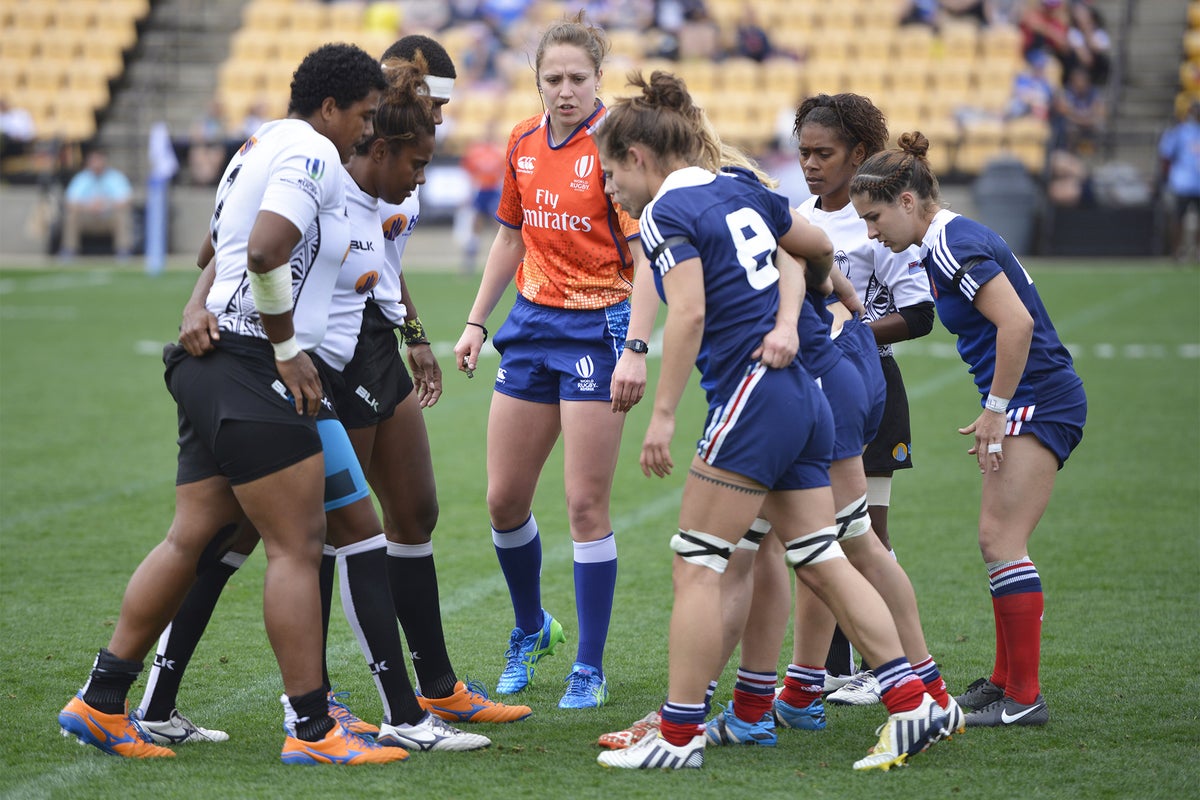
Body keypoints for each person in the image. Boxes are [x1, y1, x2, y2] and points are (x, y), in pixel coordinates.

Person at [132, 36, 529, 747]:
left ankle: (402, 700)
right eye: (413, 134)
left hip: (343, 354)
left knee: (381, 519)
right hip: (300, 368)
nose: (421, 158)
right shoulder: (324, 163)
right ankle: (330, 713)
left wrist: (412, 329)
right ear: (373, 134)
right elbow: (239, 247)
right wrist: (208, 308)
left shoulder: (379, 175)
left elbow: (380, 258)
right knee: (270, 536)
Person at [56, 42, 406, 765]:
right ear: (331, 106)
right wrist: (284, 346)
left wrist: (203, 303)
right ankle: (313, 730)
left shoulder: (263, 142)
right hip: (249, 363)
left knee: (193, 537)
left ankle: (101, 699)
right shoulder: (311, 150)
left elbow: (217, 247)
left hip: (214, 363)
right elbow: (266, 252)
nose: (368, 132)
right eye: (364, 116)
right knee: (296, 544)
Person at [593, 70, 947, 771]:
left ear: (639, 158)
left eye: (609, 172)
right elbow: (811, 246)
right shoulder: (744, 186)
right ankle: (915, 702)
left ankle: (679, 734)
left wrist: (662, 416)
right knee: (823, 555)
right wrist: (838, 314)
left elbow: (688, 311)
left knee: (696, 563)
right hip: (806, 393)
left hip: (753, 395)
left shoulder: (667, 211)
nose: (608, 187)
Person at [850, 131, 1087, 727]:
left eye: (875, 217)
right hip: (1032, 398)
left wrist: (997, 407)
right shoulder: (942, 243)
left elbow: (1017, 324)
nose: (872, 232)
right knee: (995, 540)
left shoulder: (952, 240)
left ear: (908, 201)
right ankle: (1006, 683)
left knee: (1001, 540)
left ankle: (1023, 698)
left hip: (1038, 398)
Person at [452, 11, 652, 710]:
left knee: (584, 505)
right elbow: (510, 238)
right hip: (531, 326)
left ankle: (589, 667)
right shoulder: (522, 142)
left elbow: (644, 257)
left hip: (599, 331)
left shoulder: (619, 148)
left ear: (599, 78)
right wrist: (477, 320)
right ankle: (531, 628)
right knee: (504, 501)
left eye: (577, 78)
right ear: (536, 83)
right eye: (552, 79)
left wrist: (635, 345)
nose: (564, 90)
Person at [793, 94, 937, 706]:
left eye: (823, 153)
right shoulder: (795, 216)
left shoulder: (875, 222)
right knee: (814, 534)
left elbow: (921, 313)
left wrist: (847, 333)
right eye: (803, 152)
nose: (810, 164)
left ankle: (895, 667)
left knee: (866, 535)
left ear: (858, 153)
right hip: (805, 391)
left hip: (867, 387)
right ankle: (832, 668)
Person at [57, 146, 134, 259]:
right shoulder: (81, 178)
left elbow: (126, 200)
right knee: (71, 216)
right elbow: (70, 202)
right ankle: (69, 251)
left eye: (99, 160)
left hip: (108, 217)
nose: (97, 164)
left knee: (123, 215)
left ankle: (123, 252)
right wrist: (89, 206)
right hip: (87, 218)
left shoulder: (116, 177)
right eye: (94, 160)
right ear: (89, 162)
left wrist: (105, 205)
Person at [455, 116, 506, 273]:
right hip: (480, 191)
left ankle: (503, 261)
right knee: (475, 225)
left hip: (493, 192)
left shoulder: (500, 151)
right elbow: (468, 174)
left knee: (499, 227)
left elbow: (504, 174)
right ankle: (469, 260)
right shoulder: (475, 151)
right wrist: (467, 193)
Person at [1158, 101, 1200, 262]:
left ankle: (1197, 252)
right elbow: (1166, 155)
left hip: (1198, 182)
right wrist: (1166, 177)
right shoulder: (1179, 132)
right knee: (1178, 218)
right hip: (1183, 181)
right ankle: (1176, 252)